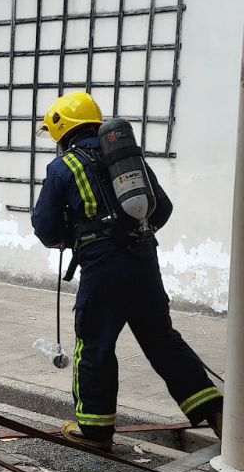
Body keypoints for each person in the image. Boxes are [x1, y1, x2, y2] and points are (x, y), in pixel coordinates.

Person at [31, 91, 222, 451]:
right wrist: (130, 233)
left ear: (62, 130)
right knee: (163, 341)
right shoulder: (127, 159)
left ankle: (95, 431)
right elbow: (160, 208)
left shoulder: (63, 167)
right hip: (144, 261)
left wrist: (82, 235)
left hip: (102, 269)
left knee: (94, 346)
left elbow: (45, 228)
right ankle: (218, 414)